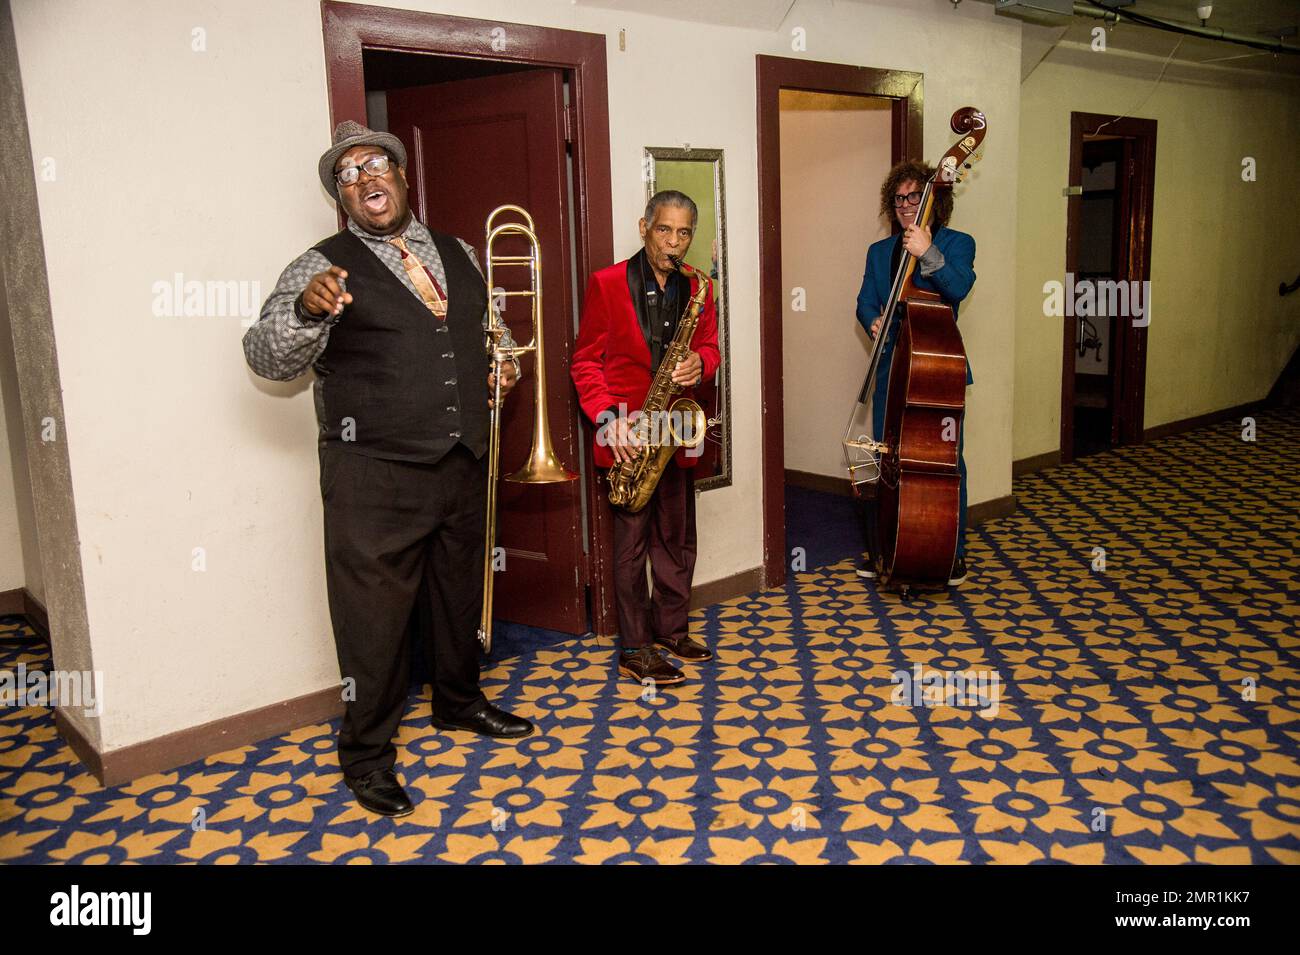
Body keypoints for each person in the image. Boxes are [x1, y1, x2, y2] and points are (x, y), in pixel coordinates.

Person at [243, 121, 533, 818]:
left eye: (377, 165)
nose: (366, 178)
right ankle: (367, 755)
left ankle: (459, 703)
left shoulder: (461, 251)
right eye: (349, 175)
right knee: (372, 624)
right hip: (371, 474)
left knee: (460, 597)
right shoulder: (318, 266)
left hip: (461, 463)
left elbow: (491, 338)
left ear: (403, 176)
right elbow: (264, 356)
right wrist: (309, 313)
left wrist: (504, 364)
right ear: (343, 198)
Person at [571, 191, 721, 687]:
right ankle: (635, 647)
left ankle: (671, 629)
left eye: (684, 233)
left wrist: (703, 363)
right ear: (644, 227)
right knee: (633, 546)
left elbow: (709, 348)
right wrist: (607, 420)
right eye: (664, 230)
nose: (674, 242)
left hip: (674, 427)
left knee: (676, 537)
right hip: (629, 431)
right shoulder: (608, 283)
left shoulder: (700, 287)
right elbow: (585, 361)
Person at [854, 160, 976, 586]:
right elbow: (865, 301)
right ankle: (887, 547)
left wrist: (928, 252)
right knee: (888, 459)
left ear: (934, 201)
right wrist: (872, 320)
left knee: (945, 461)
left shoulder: (958, 243)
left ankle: (952, 553)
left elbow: (958, 287)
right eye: (899, 198)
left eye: (914, 197)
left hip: (936, 373)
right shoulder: (878, 252)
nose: (905, 206)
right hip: (891, 367)